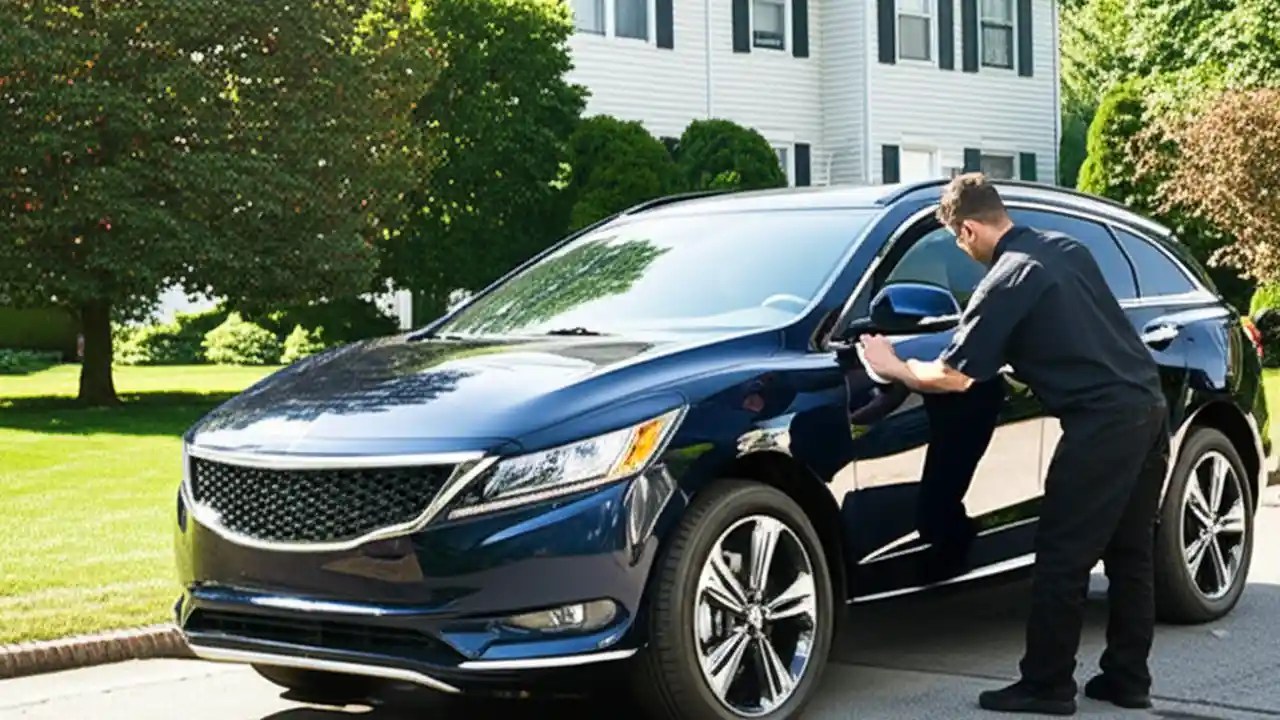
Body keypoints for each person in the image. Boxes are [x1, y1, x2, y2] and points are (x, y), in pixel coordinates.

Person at [859, 173, 1170, 716]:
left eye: (958, 238)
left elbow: (954, 377)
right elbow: (1073, 329)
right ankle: (1127, 678)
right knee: (1130, 553)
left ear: (970, 228)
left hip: (1101, 424)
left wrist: (895, 367)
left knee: (1061, 556)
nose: (963, 248)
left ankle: (1046, 685)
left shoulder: (1006, 277)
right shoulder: (1063, 249)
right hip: (1148, 408)